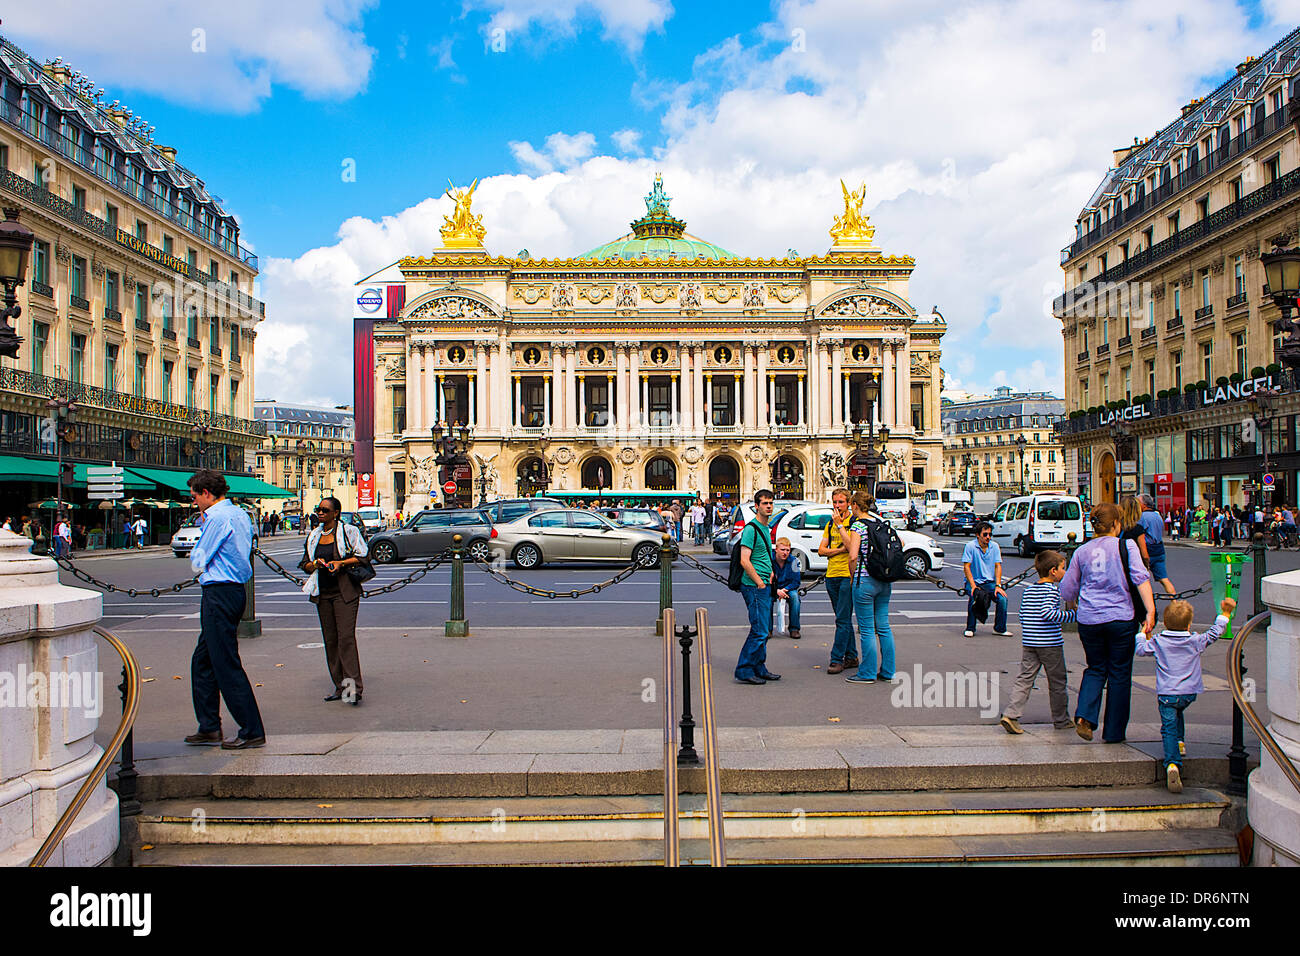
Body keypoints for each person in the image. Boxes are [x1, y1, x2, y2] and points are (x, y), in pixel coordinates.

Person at [1059, 502, 1155, 744]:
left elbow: (1067, 590)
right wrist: (1151, 612)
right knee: (1120, 674)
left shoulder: (1082, 551)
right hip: (1121, 618)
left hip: (1090, 620)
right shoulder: (1126, 545)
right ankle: (1113, 732)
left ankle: (1085, 716)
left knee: (1095, 668)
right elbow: (1141, 578)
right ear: (1115, 524)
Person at [183, 469, 266, 749]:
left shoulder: (217, 517)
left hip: (219, 592)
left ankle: (251, 729)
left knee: (225, 663)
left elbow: (198, 558)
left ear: (206, 493)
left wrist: (198, 548)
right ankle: (208, 726)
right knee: (203, 661)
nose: (194, 502)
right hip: (233, 590)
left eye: (195, 497)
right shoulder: (240, 513)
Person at [1136, 596, 1236, 793]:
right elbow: (1215, 633)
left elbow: (1140, 650)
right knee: (1178, 712)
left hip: (1167, 694)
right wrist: (1225, 614)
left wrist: (1142, 633)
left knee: (1168, 727)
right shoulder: (1195, 641)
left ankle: (1172, 764)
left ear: (1165, 622)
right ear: (1189, 624)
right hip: (1188, 693)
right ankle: (1180, 742)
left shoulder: (1158, 641)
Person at [299, 495, 369, 705]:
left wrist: (341, 563)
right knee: (330, 641)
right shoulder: (314, 535)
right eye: (318, 510)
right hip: (323, 593)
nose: (320, 513)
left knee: (345, 639)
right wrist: (316, 565)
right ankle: (339, 686)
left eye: (325, 510)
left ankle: (352, 690)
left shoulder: (349, 532)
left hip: (344, 592)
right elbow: (305, 564)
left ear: (335, 513)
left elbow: (364, 556)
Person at [999, 550, 1076, 734]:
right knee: (1057, 681)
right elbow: (1048, 613)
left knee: (1025, 679)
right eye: (1062, 569)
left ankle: (1011, 714)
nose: (1064, 572)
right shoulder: (1051, 591)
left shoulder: (1029, 590)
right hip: (1050, 643)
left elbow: (1023, 615)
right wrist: (1072, 615)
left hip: (1030, 642)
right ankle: (1061, 719)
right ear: (1053, 571)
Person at [845, 491, 895, 684]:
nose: (851, 508)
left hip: (865, 581)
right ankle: (888, 671)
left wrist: (852, 576)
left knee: (866, 629)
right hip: (884, 580)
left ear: (856, 505)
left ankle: (867, 673)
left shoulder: (858, 526)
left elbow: (852, 555)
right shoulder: (881, 524)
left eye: (851, 505)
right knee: (884, 627)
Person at [734, 489, 780, 685]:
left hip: (763, 584)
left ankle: (759, 666)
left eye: (770, 503)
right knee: (759, 630)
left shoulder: (766, 528)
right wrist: (760, 582)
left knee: (764, 629)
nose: (768, 506)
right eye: (765, 503)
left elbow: (762, 556)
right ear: (757, 506)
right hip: (754, 586)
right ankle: (744, 669)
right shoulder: (751, 529)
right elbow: (745, 560)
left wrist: (769, 573)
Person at [818, 487, 859, 674]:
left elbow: (852, 548)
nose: (837, 506)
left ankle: (837, 659)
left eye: (841, 502)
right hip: (831, 574)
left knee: (842, 619)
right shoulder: (829, 524)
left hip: (846, 575)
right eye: (834, 502)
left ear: (849, 503)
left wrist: (841, 527)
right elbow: (821, 550)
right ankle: (851, 656)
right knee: (842, 618)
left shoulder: (854, 523)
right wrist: (838, 550)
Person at [963, 522, 1009, 638]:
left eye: (989, 534)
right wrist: (973, 585)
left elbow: (998, 566)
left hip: (989, 582)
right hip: (974, 581)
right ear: (978, 535)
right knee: (975, 596)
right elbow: (967, 567)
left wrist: (998, 585)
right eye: (985, 534)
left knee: (1002, 599)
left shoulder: (994, 546)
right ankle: (970, 628)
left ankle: (999, 628)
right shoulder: (970, 546)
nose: (988, 537)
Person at [1136, 495, 1175, 595]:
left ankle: (1148, 604)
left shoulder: (1142, 517)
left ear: (1143, 505)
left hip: (1148, 549)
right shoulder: (1157, 515)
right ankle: (1175, 603)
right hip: (1159, 548)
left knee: (1143, 580)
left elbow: (1140, 534)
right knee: (1164, 579)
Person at [770, 536, 802, 639]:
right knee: (767, 600)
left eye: (787, 550)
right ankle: (767, 629)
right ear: (776, 550)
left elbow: (796, 581)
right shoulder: (769, 560)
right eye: (782, 550)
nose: (785, 553)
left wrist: (785, 590)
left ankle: (794, 629)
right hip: (773, 587)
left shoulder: (794, 561)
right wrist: (777, 590)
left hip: (788, 588)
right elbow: (766, 578)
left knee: (795, 598)